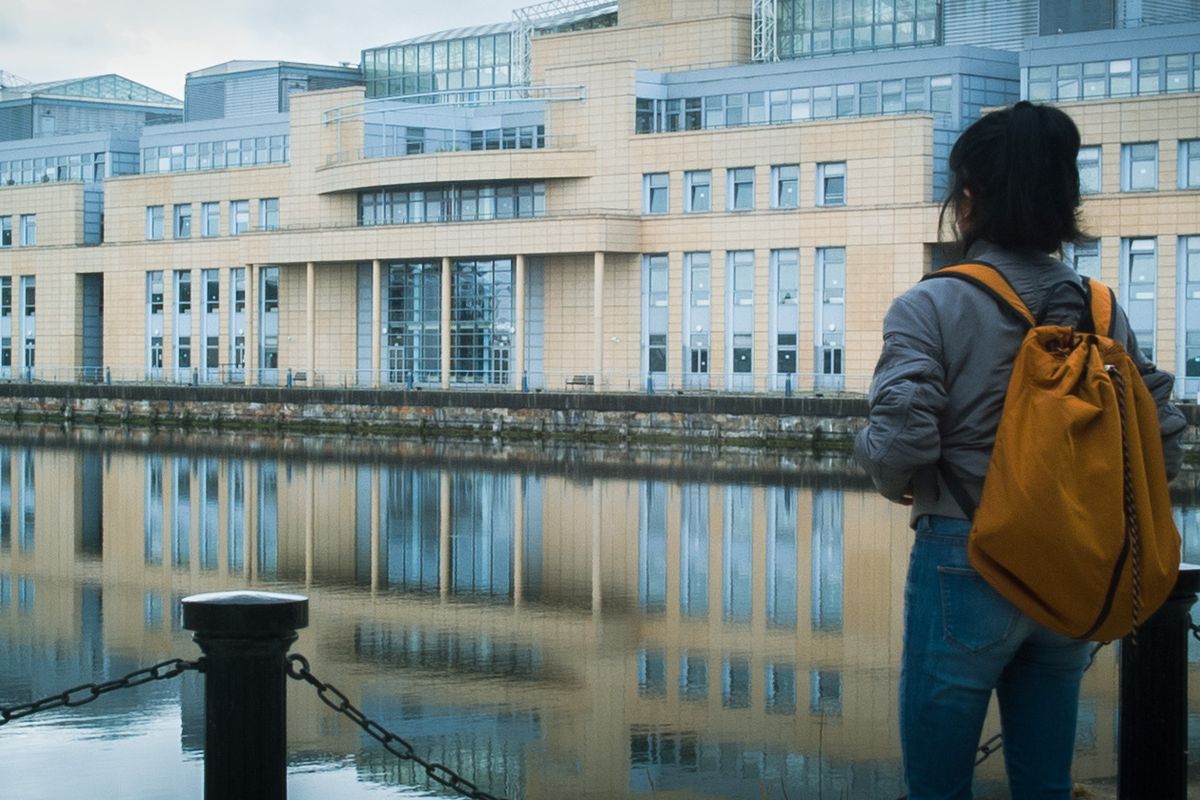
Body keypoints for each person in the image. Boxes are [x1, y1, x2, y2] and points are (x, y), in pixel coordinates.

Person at [854, 100, 1185, 799]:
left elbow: (903, 433)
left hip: (964, 555)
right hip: (1072, 561)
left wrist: (892, 473)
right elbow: (1160, 433)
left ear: (968, 199)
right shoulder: (1100, 307)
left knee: (938, 786)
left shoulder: (931, 304)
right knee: (1045, 782)